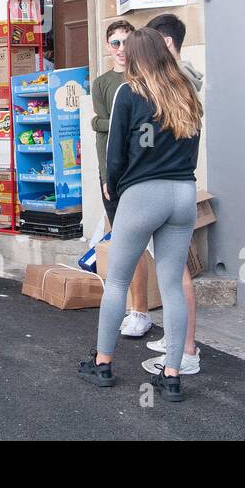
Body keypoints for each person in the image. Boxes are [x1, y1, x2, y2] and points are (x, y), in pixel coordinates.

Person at [79, 28, 203, 402]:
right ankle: (174, 373)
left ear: (135, 57)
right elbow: (192, 148)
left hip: (142, 193)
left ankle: (102, 363)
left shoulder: (128, 93)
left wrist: (113, 188)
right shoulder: (185, 92)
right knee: (171, 286)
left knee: (117, 282)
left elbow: (115, 151)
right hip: (182, 193)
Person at [139, 13, 203, 376]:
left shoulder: (176, 83)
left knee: (177, 272)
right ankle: (178, 340)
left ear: (165, 44)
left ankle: (188, 350)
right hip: (177, 186)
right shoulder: (180, 80)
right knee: (171, 270)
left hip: (167, 188)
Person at [91, 19, 154, 339]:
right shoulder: (102, 84)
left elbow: (114, 126)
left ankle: (141, 310)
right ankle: (132, 310)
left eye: (126, 42)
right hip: (114, 174)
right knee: (122, 245)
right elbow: (106, 138)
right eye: (114, 43)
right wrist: (105, 175)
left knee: (137, 244)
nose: (120, 49)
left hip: (144, 173)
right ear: (107, 47)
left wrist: (103, 122)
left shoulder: (147, 80)